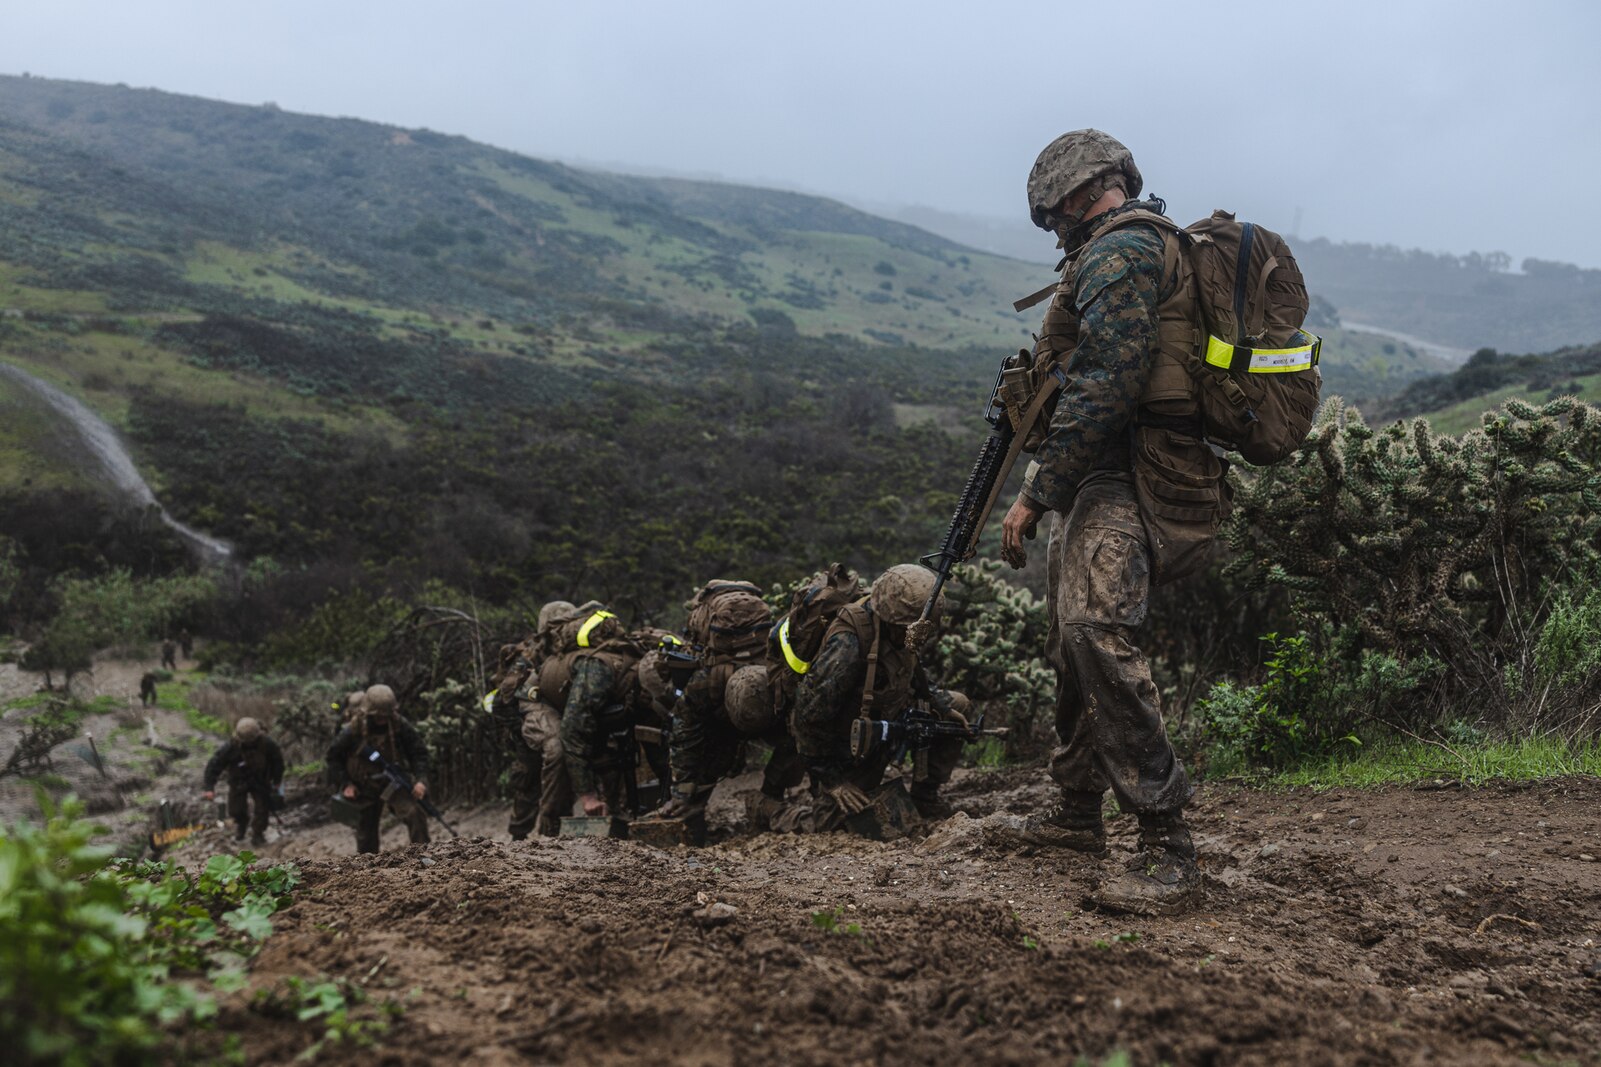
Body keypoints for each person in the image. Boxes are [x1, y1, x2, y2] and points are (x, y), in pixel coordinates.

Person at [998, 129, 1217, 915]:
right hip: (1105, 472)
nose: (1053, 227)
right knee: (1070, 639)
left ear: (1071, 196)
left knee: (1094, 627)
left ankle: (1167, 845)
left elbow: (1106, 385)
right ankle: (1074, 813)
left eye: (1051, 213)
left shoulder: (1118, 254)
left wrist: (1034, 491)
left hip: (1133, 472)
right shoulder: (1124, 248)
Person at [790, 564, 967, 831]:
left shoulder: (901, 630)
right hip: (848, 745)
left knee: (958, 705)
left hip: (887, 722)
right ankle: (768, 808)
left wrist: (939, 703)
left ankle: (925, 797)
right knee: (832, 824)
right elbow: (806, 716)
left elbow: (911, 668)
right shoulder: (848, 646)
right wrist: (833, 780)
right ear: (892, 619)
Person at [325, 683, 431, 853]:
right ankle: (370, 872)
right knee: (366, 834)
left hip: (393, 782)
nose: (382, 720)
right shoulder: (353, 728)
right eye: (377, 716)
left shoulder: (399, 724)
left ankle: (425, 857)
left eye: (386, 715)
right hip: (363, 786)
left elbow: (418, 753)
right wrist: (346, 784)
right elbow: (333, 757)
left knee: (415, 814)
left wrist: (420, 780)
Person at [202, 717, 285, 846]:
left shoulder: (267, 744)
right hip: (238, 780)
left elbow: (277, 762)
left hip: (261, 780)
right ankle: (242, 824)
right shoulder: (231, 747)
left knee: (262, 809)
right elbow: (214, 765)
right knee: (235, 810)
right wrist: (209, 787)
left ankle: (258, 833)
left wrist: (277, 780)